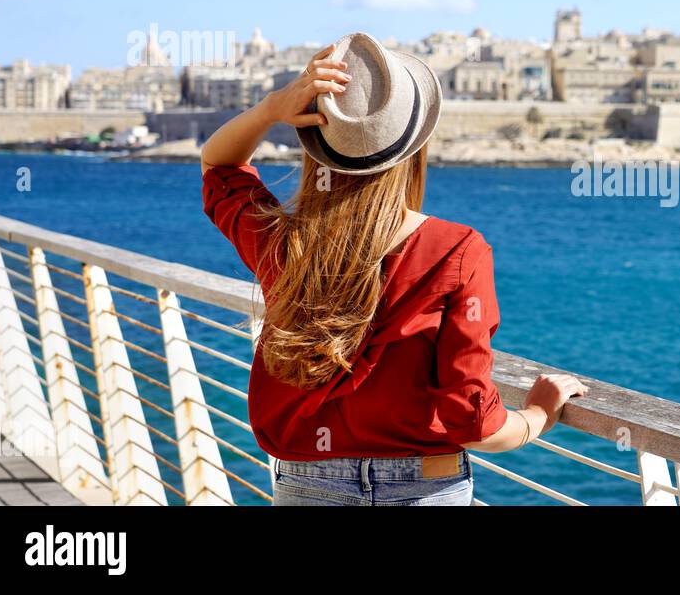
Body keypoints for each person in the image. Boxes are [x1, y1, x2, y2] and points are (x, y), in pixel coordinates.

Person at [200, 32, 587, 505]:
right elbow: (474, 423)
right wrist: (537, 416)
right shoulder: (458, 250)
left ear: (316, 146)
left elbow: (219, 165)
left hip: (306, 484)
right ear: (414, 148)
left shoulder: (284, 244)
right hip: (426, 487)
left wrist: (271, 109)